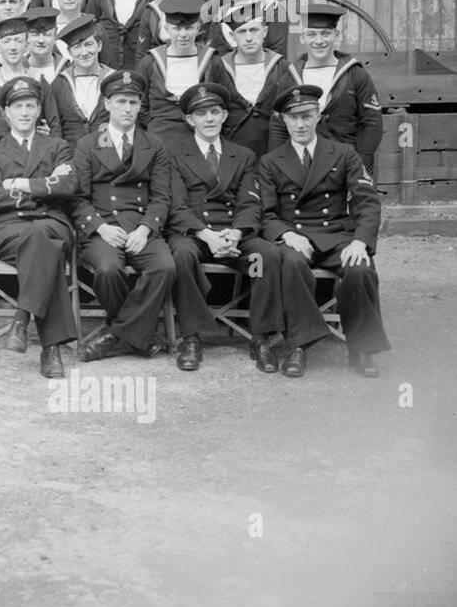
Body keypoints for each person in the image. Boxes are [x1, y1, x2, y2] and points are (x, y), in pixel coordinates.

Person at [258, 84, 390, 378]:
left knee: (360, 269)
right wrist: (286, 234)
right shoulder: (270, 161)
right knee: (290, 262)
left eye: (307, 115)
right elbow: (265, 214)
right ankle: (299, 346)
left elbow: (368, 203)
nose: (301, 124)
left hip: (337, 237)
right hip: (294, 236)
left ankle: (362, 348)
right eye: (293, 117)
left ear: (318, 115)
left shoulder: (344, 153)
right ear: (284, 120)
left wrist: (360, 242)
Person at [164, 83, 283, 373]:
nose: (209, 119)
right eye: (201, 114)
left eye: (215, 112)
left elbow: (251, 202)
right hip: (194, 234)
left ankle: (260, 337)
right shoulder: (173, 154)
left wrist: (237, 233)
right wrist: (205, 234)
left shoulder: (242, 155)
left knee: (265, 255)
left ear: (225, 115)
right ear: (189, 120)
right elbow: (175, 205)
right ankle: (191, 337)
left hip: (232, 233)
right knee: (181, 256)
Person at [71, 70, 176, 361]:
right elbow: (78, 199)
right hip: (103, 228)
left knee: (165, 267)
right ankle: (139, 337)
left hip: (141, 227)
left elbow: (161, 196)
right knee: (108, 270)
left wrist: (145, 230)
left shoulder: (154, 144)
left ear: (141, 105)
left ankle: (114, 334)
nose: (127, 109)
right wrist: (101, 228)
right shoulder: (88, 144)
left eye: (133, 102)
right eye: (120, 102)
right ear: (107, 104)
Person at [0, 76, 80, 377]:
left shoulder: (58, 146)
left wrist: (20, 184)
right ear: (6, 113)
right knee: (43, 245)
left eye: (30, 106)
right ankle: (51, 349)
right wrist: (44, 190)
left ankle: (21, 318)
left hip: (54, 225)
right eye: (18, 106)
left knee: (41, 237)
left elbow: (69, 185)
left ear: (39, 111)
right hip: (11, 230)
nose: (24, 112)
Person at [269, 1, 383, 169]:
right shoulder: (289, 78)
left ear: (336, 35)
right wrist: (280, 166)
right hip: (302, 168)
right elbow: (279, 126)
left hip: (345, 166)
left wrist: (359, 165)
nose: (319, 40)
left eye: (325, 33)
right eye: (312, 34)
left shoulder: (355, 75)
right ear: (302, 38)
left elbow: (372, 123)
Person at [135, 0, 233, 144]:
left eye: (189, 28)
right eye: (176, 28)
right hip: (160, 140)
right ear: (167, 28)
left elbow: (226, 101)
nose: (183, 35)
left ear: (198, 27)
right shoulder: (151, 61)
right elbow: (140, 106)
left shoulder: (212, 60)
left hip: (201, 139)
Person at [216, 3, 292, 159]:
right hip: (233, 154)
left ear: (264, 31)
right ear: (232, 36)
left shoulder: (282, 67)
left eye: (254, 30)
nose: (249, 37)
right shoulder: (219, 68)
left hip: (274, 153)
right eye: (242, 32)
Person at [0, 15, 60, 151]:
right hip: (0, 157)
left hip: (36, 154)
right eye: (7, 41)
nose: (13, 47)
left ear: (26, 45)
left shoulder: (39, 81)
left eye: (18, 41)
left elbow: (55, 125)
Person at [51, 14, 114, 147]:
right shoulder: (59, 84)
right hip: (73, 158)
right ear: (69, 51)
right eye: (77, 47)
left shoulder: (114, 80)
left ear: (100, 45)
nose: (84, 52)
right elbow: (56, 129)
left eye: (89, 44)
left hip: (109, 157)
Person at [20, 7, 67, 83]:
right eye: (35, 34)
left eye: (47, 34)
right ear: (26, 36)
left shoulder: (66, 68)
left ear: (55, 35)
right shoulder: (18, 68)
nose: (41, 40)